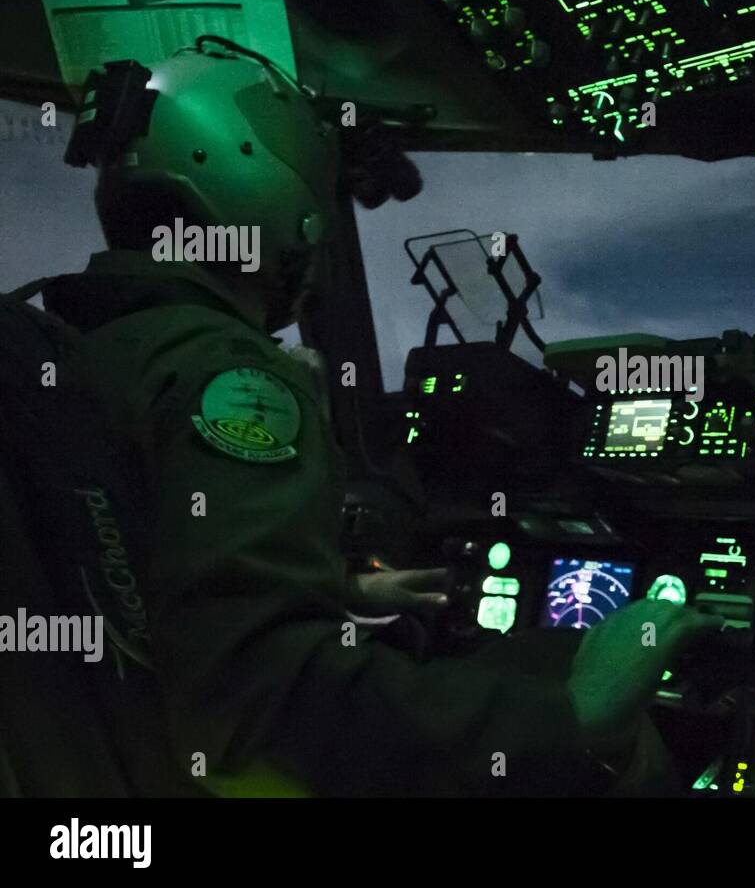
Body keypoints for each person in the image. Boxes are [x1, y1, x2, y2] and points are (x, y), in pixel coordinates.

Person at [37, 39, 720, 796]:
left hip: (128, 767)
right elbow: (265, 703)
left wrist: (330, 595)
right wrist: (575, 718)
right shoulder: (221, 374)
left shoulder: (90, 353)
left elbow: (135, 581)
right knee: (591, 715)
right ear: (268, 192)